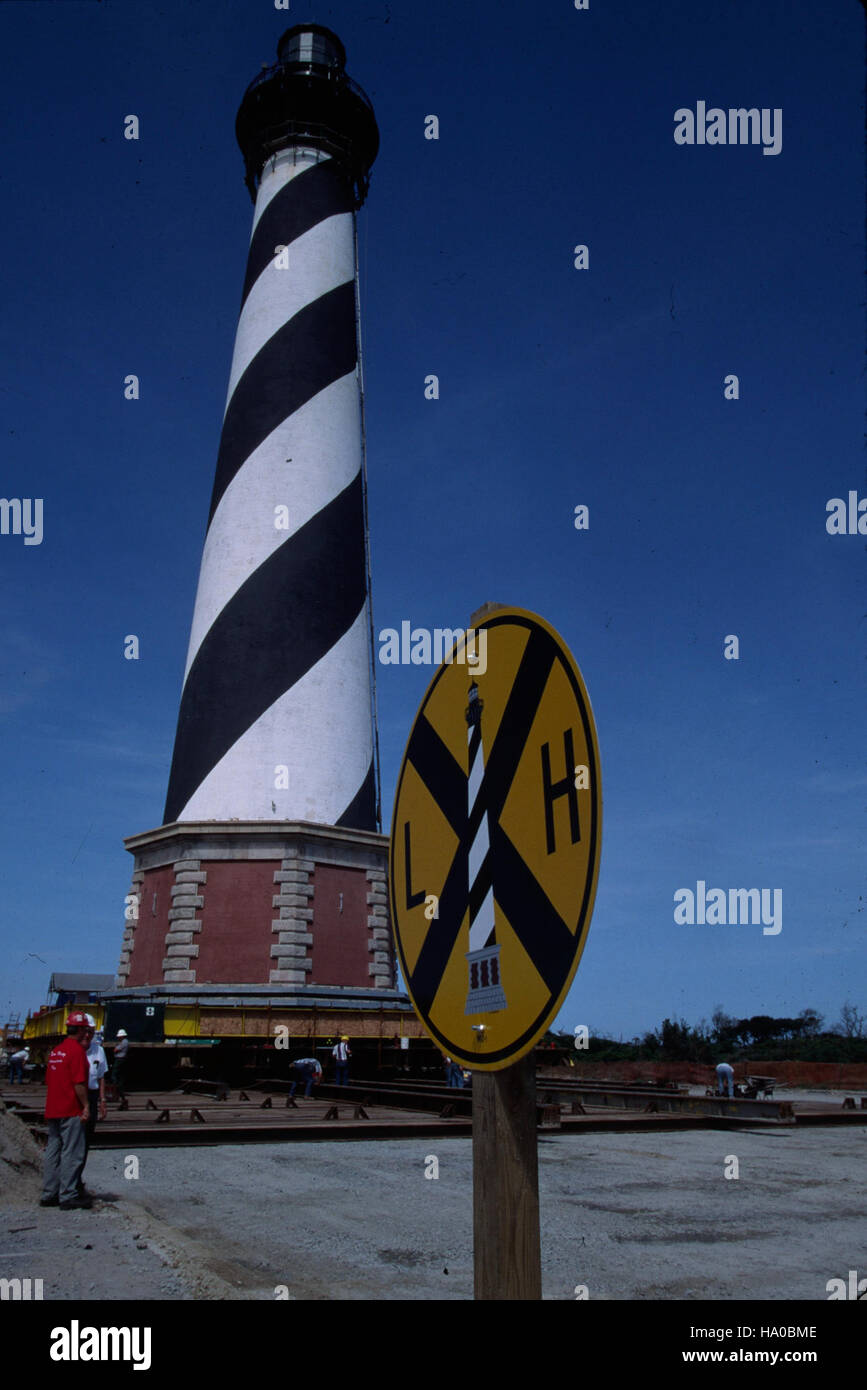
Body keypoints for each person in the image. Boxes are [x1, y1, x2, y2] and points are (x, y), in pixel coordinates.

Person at [40, 1012, 91, 1211]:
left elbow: (49, 1080)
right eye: (85, 1029)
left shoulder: (56, 1051)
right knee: (72, 1152)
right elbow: (78, 1083)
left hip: (53, 1108)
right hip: (70, 1109)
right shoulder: (76, 1052)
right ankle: (68, 1195)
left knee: (53, 1151)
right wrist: (86, 1105)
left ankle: (49, 1193)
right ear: (80, 1030)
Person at [76, 1015, 108, 1198]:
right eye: (85, 1031)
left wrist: (102, 1101)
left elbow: (101, 1076)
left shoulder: (99, 1051)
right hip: (76, 1099)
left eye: (91, 1031)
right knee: (73, 1142)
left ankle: (78, 1181)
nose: (88, 1035)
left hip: (92, 1095)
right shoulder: (74, 1050)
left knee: (86, 1141)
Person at [110, 1029, 129, 1099]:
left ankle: (116, 1088)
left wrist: (116, 1048)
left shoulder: (124, 1042)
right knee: (120, 1075)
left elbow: (115, 1050)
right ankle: (119, 1089)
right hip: (121, 1059)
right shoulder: (123, 1042)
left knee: (114, 1074)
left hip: (120, 1059)